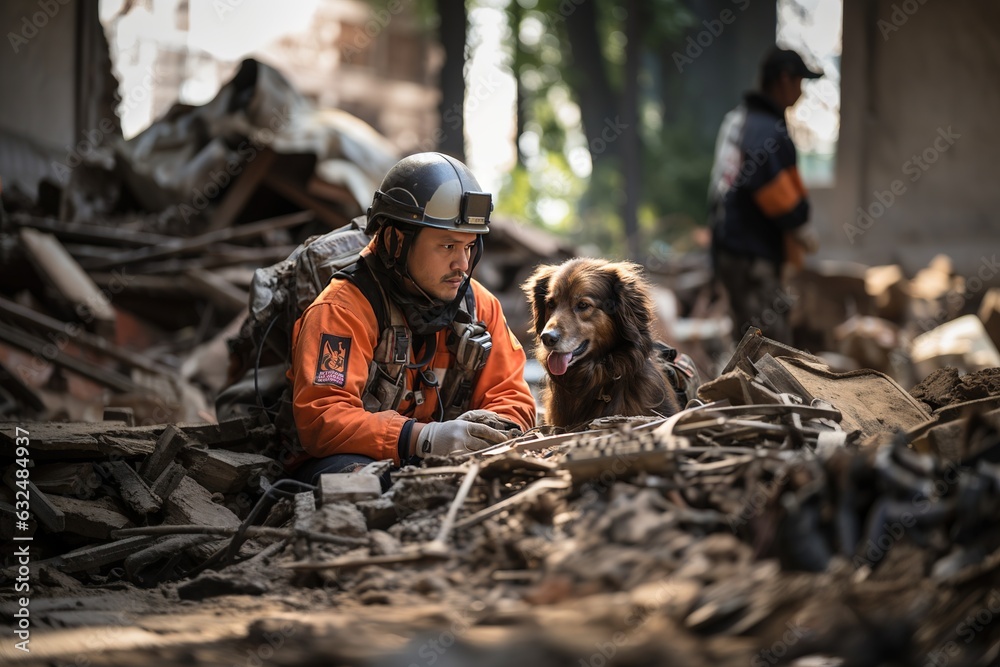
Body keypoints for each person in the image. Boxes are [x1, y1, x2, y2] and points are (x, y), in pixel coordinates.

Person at [287, 152, 536, 486]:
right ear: (395, 241)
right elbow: (323, 418)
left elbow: (513, 397)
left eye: (468, 246)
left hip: (441, 459)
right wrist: (422, 438)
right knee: (372, 484)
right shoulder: (341, 310)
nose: (462, 264)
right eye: (447, 246)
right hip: (351, 458)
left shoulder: (481, 307)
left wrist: (487, 430)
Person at [708, 47, 822, 345]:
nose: (801, 91)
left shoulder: (740, 119)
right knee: (769, 343)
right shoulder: (766, 128)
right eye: (799, 82)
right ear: (783, 79)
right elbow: (766, 184)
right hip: (751, 254)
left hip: (733, 249)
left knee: (748, 337)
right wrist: (799, 224)